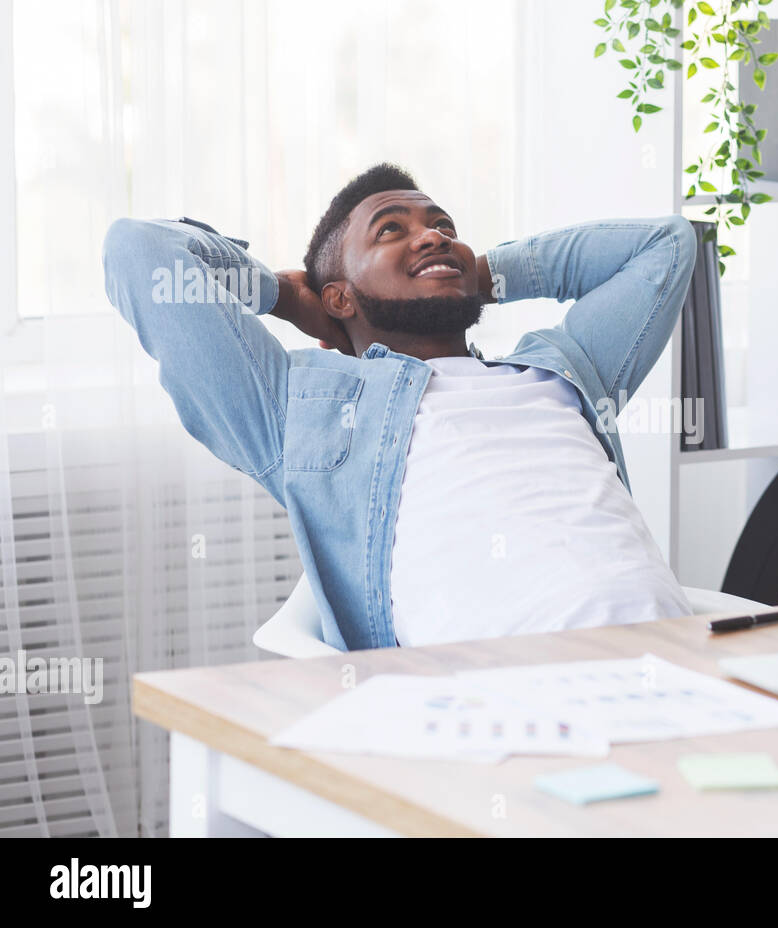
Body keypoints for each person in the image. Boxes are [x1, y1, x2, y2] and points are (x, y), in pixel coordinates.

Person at [101, 163, 697, 650]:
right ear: (336, 295)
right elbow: (140, 250)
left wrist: (470, 273)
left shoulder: (562, 366)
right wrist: (284, 295)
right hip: (506, 700)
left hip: (677, 655)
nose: (434, 234)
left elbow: (666, 246)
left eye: (443, 226)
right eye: (390, 230)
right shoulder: (298, 410)